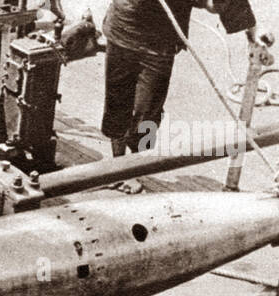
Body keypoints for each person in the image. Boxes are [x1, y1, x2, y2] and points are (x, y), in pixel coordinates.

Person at [101, 0, 258, 193]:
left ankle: (134, 170)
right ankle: (116, 167)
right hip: (122, 30)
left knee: (148, 111)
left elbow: (216, 4)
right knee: (117, 102)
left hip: (160, 45)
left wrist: (253, 35)